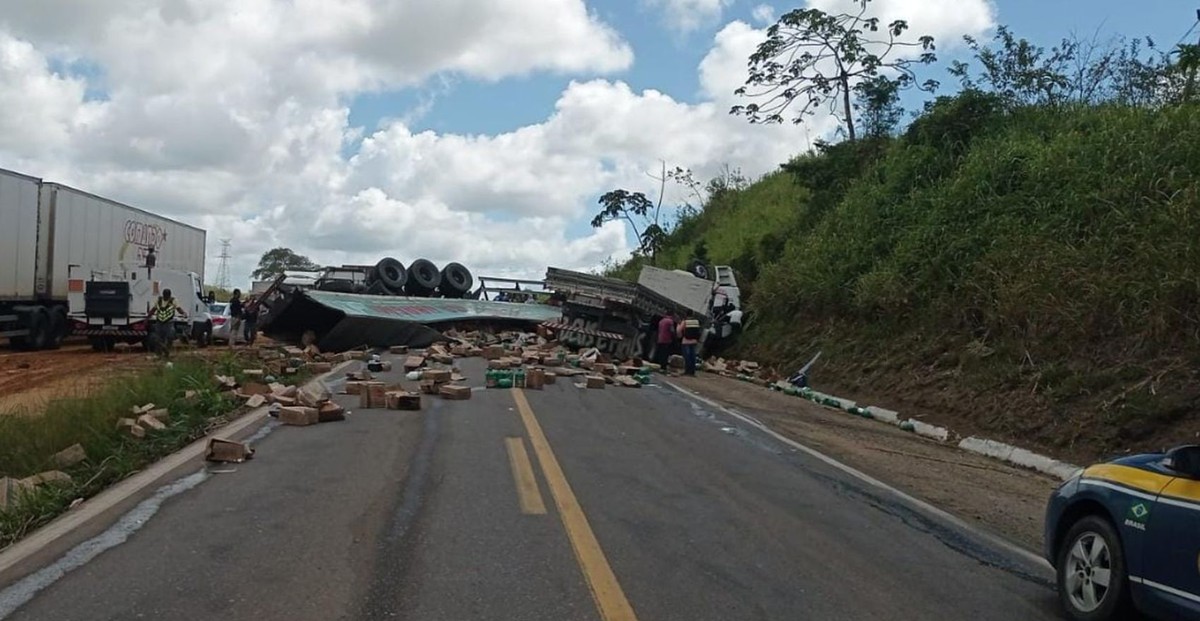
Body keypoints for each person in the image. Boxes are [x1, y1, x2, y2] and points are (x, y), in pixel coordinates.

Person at [152, 288, 187, 359]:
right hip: (159, 322)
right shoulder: (159, 300)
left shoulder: (173, 301)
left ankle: (167, 352)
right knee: (158, 339)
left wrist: (183, 313)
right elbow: (153, 309)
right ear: (163, 295)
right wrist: (147, 318)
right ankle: (159, 353)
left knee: (170, 337)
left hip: (169, 322)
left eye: (167, 295)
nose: (166, 297)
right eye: (165, 295)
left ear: (169, 295)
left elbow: (178, 308)